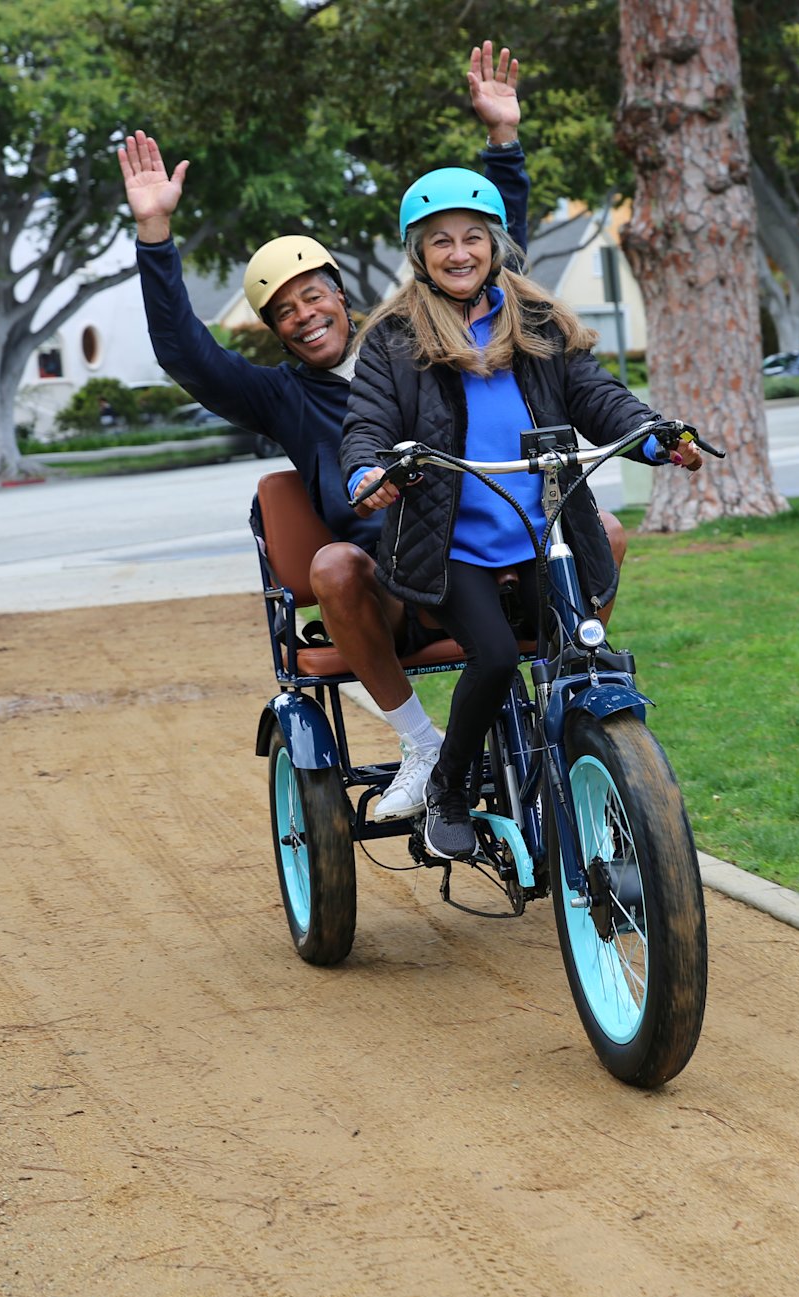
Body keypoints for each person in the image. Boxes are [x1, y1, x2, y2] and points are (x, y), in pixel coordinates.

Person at [120, 42, 534, 821]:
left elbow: (493, 261)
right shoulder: (279, 396)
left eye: (314, 296)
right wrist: (154, 235)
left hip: (480, 545)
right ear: (275, 330)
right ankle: (421, 745)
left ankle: (568, 731)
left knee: (595, 531)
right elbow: (184, 353)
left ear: (342, 295)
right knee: (335, 565)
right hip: (394, 585)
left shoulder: (416, 336)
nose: (305, 315)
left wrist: (501, 142)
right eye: (284, 311)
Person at [341, 170, 703, 860]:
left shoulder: (537, 320)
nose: (458, 253)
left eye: (472, 238)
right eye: (440, 241)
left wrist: (655, 436)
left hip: (547, 532)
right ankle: (447, 790)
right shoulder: (394, 337)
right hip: (452, 545)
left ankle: (581, 774)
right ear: (418, 253)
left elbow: (597, 396)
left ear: (494, 245)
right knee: (498, 656)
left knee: (580, 653)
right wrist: (367, 473)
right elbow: (366, 424)